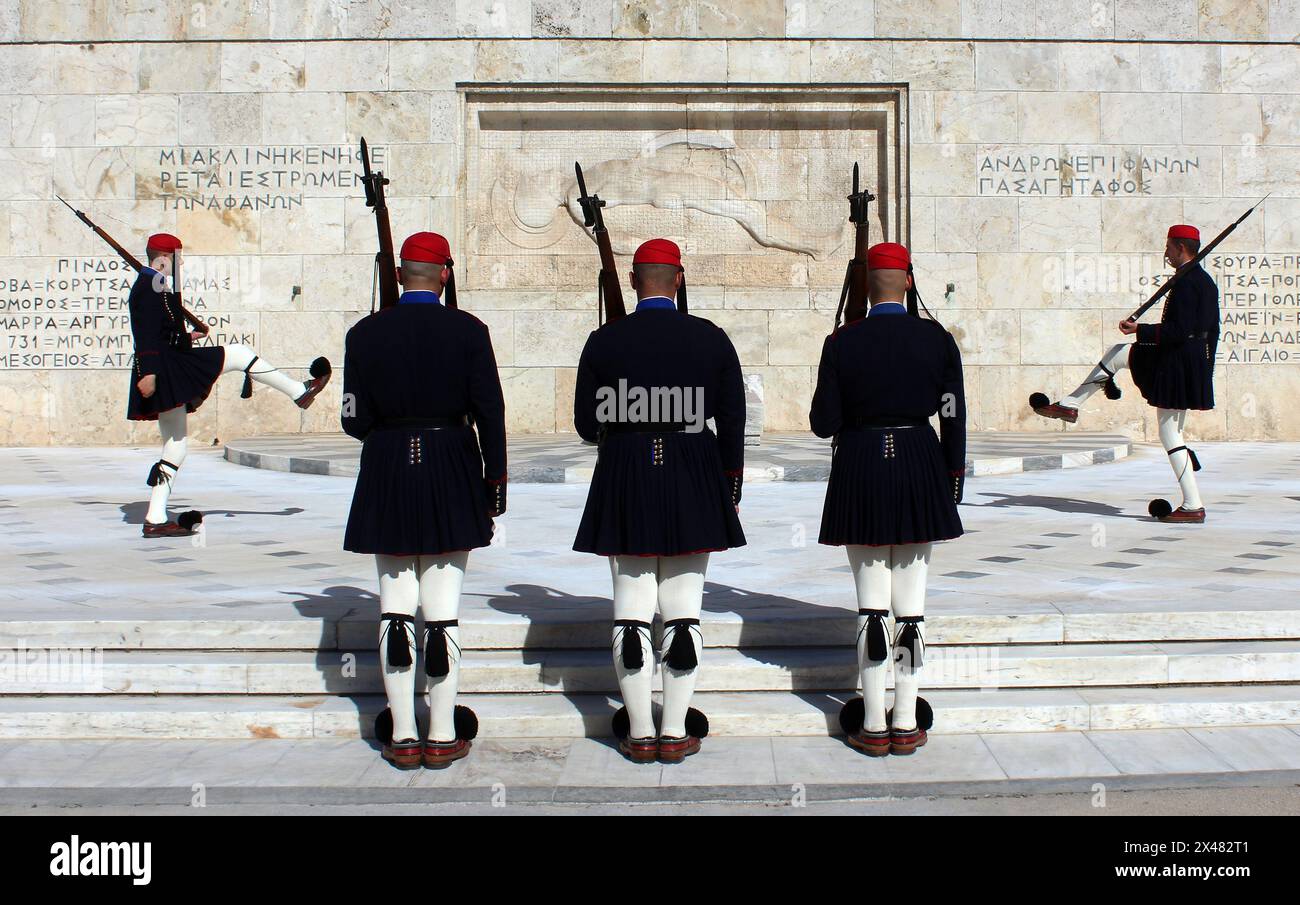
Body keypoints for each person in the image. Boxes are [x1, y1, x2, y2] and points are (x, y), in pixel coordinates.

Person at [573, 238, 746, 764]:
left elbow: (586, 425)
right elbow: (733, 419)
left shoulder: (604, 341)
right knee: (683, 612)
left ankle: (639, 730)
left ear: (632, 281)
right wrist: (729, 482)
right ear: (679, 280)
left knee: (630, 611)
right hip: (694, 467)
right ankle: (674, 729)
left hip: (626, 468)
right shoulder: (710, 338)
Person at [342, 232, 507, 770]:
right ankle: (441, 733)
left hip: (388, 464)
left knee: (394, 607)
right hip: (452, 463)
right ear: (444, 275)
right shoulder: (469, 331)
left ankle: (403, 735)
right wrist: (494, 481)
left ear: (397, 275)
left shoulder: (364, 333)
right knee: (442, 610)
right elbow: (491, 413)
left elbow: (351, 417)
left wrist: (390, 431)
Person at [810, 242, 965, 757]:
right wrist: (951, 480)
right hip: (920, 459)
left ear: (865, 286)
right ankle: (906, 715)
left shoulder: (843, 341)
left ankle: (872, 721)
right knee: (911, 607)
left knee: (871, 604)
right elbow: (952, 416)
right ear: (909, 281)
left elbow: (821, 423)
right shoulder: (937, 339)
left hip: (861, 461)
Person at [128, 233, 330, 537]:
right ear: (163, 257)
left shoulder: (155, 284)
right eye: (177, 257)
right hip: (165, 370)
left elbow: (161, 331)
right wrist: (149, 373)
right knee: (239, 354)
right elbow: (143, 334)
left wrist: (186, 338)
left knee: (176, 445)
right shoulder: (147, 288)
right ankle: (298, 392)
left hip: (168, 365)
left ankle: (155, 517)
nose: (180, 262)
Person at [1032, 224, 1219, 523]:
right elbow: (1213, 332)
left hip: (1177, 362)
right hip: (1188, 363)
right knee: (1120, 354)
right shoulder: (1202, 281)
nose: (1166, 253)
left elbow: (1179, 331)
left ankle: (1193, 505)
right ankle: (1070, 404)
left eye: (1169, 247)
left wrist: (1140, 329)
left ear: (1181, 248)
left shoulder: (1188, 282)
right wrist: (1204, 373)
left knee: (1170, 433)